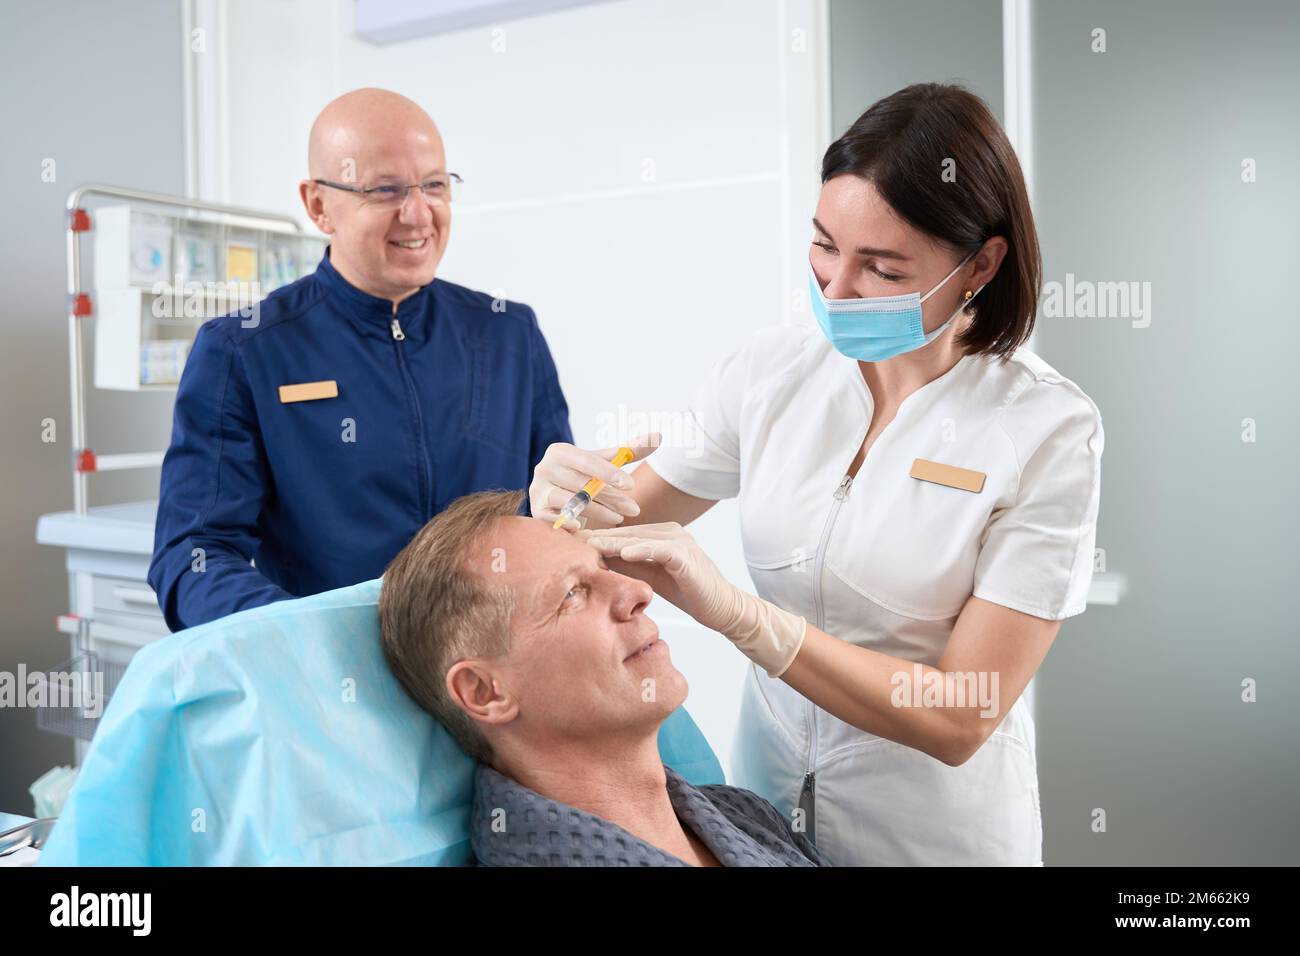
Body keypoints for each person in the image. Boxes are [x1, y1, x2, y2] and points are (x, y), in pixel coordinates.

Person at [529, 83, 1104, 865]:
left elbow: (960, 716)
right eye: (825, 245)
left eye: (882, 267)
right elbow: (618, 524)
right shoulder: (774, 373)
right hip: (767, 812)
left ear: (981, 264)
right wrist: (564, 499)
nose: (834, 290)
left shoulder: (1046, 430)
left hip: (932, 835)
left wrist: (744, 618)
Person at [149, 88, 572, 631]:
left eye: (435, 185)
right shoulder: (245, 351)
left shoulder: (509, 334)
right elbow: (192, 556)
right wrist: (313, 636)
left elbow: (559, 511)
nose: (418, 213)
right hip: (334, 674)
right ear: (318, 205)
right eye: (384, 189)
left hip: (501, 667)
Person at [378, 490, 828, 867]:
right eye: (573, 594)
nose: (639, 592)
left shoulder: (745, 815)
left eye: (605, 569)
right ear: (485, 691)